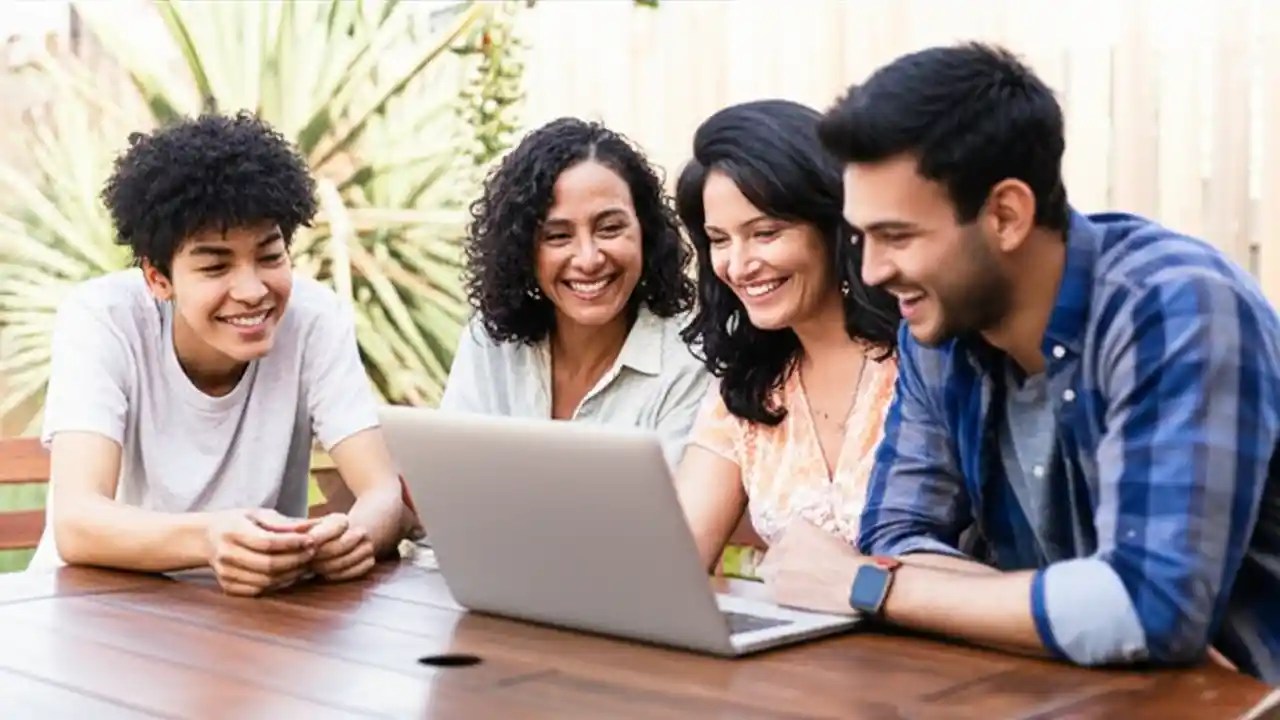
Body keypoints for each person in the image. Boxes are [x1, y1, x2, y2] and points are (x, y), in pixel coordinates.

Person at [762, 43, 1280, 684]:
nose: (871, 271)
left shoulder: (1174, 307)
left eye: (898, 236)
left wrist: (870, 589)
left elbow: (1152, 607)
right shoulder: (941, 330)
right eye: (861, 236)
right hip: (1058, 691)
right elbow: (896, 535)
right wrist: (1098, 614)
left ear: (1006, 215)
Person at [32, 112, 415, 597]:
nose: (253, 290)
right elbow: (78, 521)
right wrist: (211, 537)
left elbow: (382, 492)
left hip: (250, 619)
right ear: (158, 279)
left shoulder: (316, 320)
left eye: (270, 256)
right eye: (215, 266)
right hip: (98, 609)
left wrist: (355, 537)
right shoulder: (103, 319)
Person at [672, 99, 901, 577]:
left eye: (765, 233)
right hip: (795, 648)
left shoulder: (921, 358)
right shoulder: (749, 386)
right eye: (719, 239)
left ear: (833, 227)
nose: (738, 265)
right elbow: (672, 563)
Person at [440, 117, 710, 469]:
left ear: (646, 231)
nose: (589, 258)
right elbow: (454, 479)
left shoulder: (692, 360)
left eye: (610, 228)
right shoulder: (490, 343)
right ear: (522, 249)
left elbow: (680, 517)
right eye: (557, 236)